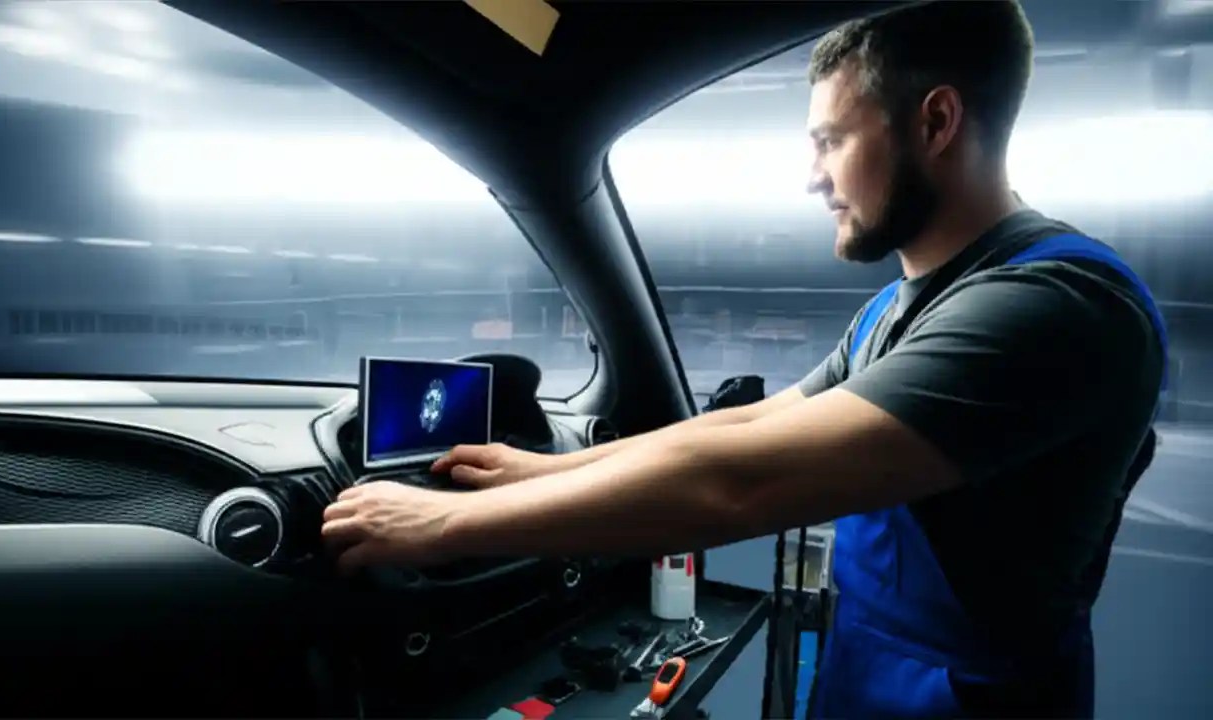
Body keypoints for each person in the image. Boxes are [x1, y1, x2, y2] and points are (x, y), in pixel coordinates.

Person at [322, 1, 1167, 716]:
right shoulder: (903, 305)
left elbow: (739, 483)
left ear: (936, 122)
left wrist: (443, 524)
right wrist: (528, 473)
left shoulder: (1054, 307)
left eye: (831, 141)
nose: (813, 179)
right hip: (869, 673)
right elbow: (755, 425)